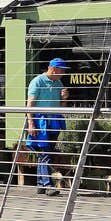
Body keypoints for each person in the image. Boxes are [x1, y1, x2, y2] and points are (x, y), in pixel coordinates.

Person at [26, 57, 70, 196]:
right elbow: (29, 104)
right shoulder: (37, 81)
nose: (63, 73)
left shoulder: (58, 83)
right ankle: (47, 184)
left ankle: (41, 184)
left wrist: (64, 99)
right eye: (61, 70)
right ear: (53, 68)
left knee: (46, 153)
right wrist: (31, 123)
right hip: (41, 121)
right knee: (46, 153)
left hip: (54, 120)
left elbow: (62, 107)